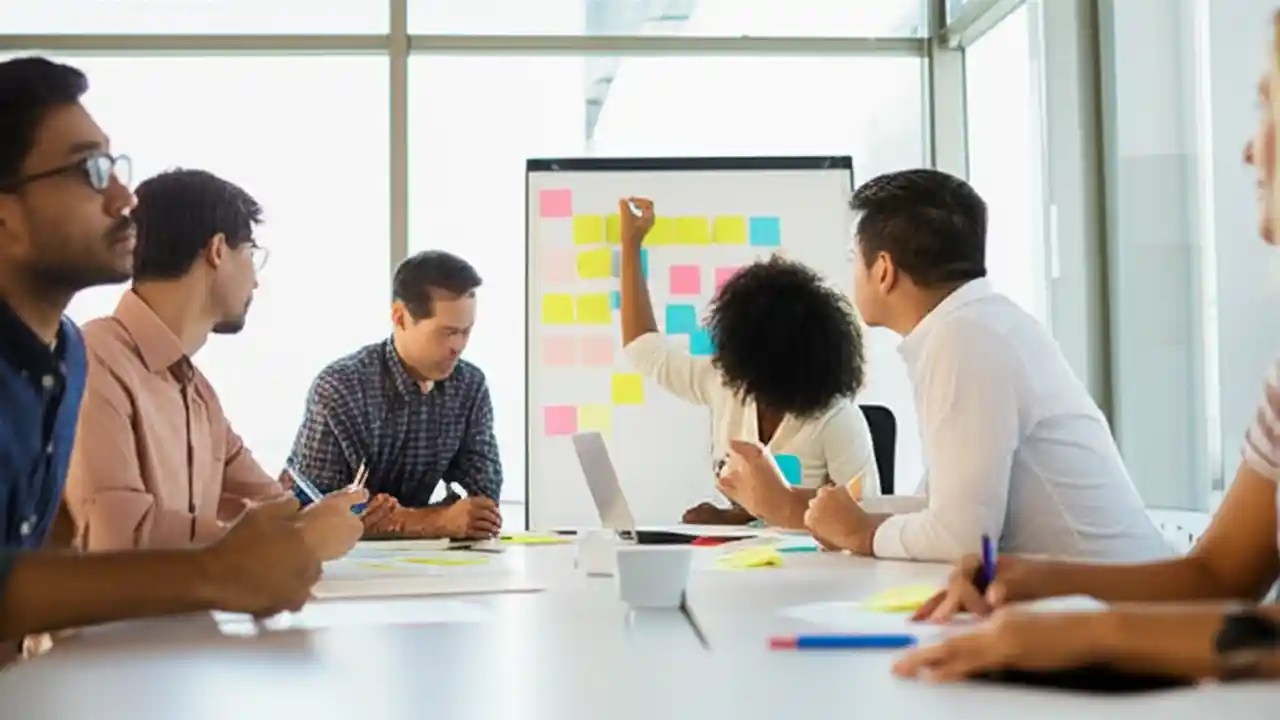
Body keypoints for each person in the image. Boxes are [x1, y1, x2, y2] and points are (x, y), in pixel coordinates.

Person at [891, 17, 1280, 683]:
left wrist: (1099, 629)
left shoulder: (969, 331)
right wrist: (1034, 580)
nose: (1250, 148)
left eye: (1269, 103)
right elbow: (1222, 574)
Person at [0, 56, 349, 661]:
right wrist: (216, 570)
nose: (124, 198)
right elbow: (106, 544)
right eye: (89, 170)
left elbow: (45, 554)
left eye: (114, 166)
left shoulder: (66, 358)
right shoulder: (99, 354)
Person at [722, 170, 1167, 563]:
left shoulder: (966, 339)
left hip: (1105, 611)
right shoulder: (976, 326)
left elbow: (961, 537)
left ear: (883, 270)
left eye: (852, 259)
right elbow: (942, 510)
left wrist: (860, 533)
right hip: (1086, 599)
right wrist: (793, 507)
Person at [63, 168, 364, 559]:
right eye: (251, 254)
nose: (255, 281)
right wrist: (296, 539)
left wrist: (323, 516)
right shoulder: (95, 360)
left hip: (180, 619)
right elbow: (116, 540)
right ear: (218, 250)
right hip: (112, 620)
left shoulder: (199, 394)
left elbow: (276, 507)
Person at [618, 197, 879, 528]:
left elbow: (863, 523)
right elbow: (643, 347)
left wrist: (738, 518)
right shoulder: (728, 383)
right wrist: (631, 244)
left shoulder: (837, 419)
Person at [288, 250, 503, 540]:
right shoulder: (340, 388)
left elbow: (482, 504)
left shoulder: (470, 386)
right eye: (447, 332)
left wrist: (405, 518)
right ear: (400, 317)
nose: (459, 346)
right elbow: (314, 512)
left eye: (467, 331)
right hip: (340, 567)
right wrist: (435, 521)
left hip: (426, 566)